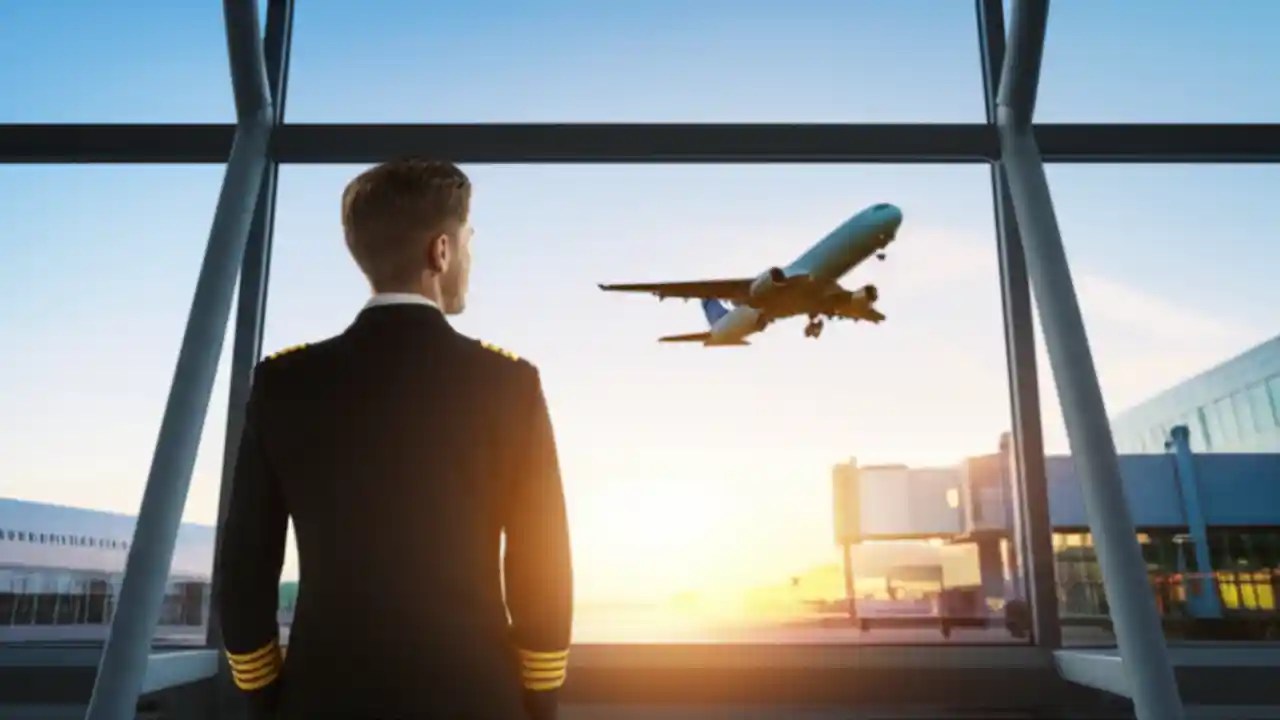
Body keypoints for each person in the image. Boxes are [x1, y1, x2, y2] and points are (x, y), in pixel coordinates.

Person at [215, 159, 573, 719]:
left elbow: (244, 571)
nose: (470, 259)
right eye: (468, 241)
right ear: (441, 252)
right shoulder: (508, 384)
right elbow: (542, 570)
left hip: (322, 704)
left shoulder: (284, 382)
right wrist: (535, 704)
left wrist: (268, 702)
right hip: (476, 702)